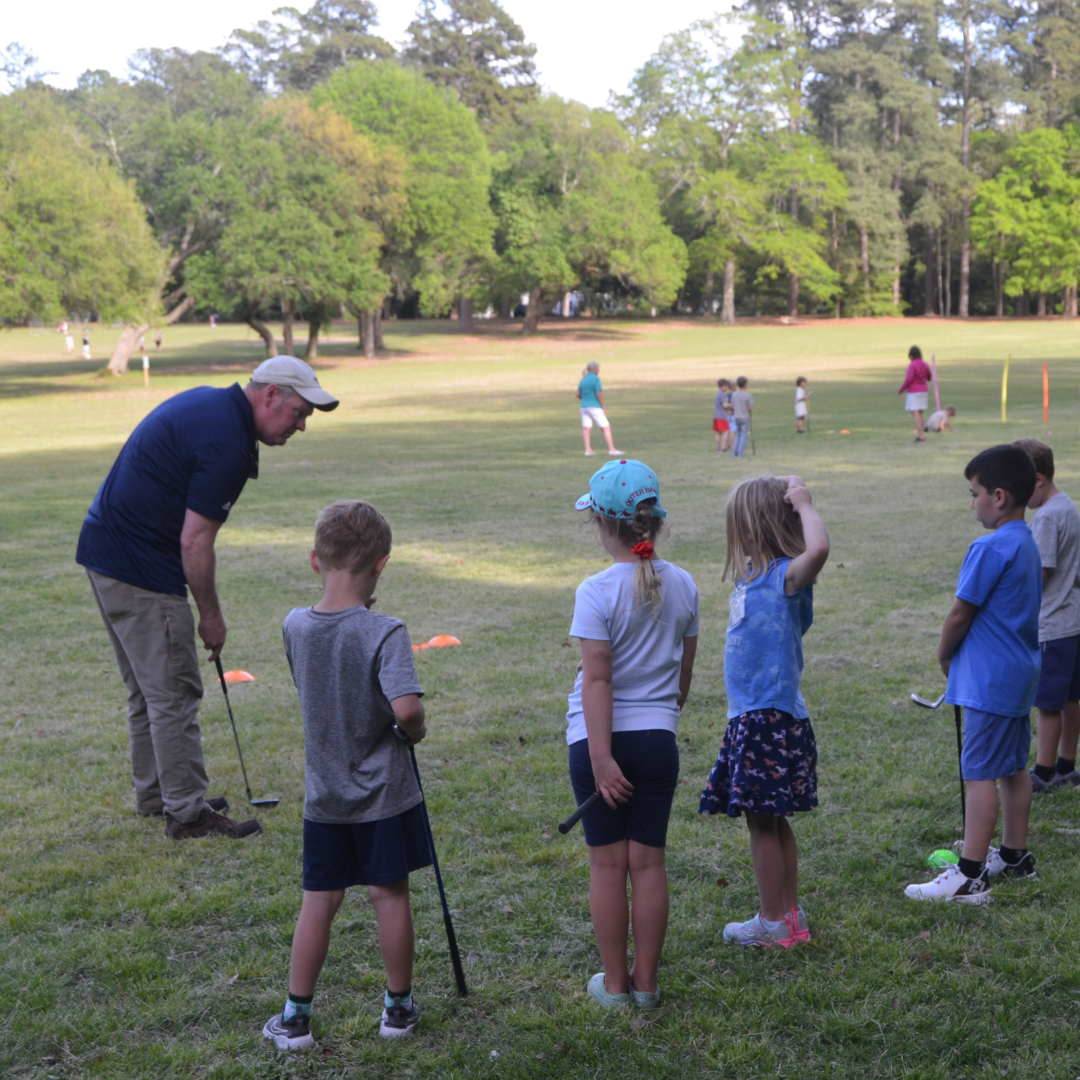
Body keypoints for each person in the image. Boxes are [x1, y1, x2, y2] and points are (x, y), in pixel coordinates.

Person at [76, 356, 339, 840]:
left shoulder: (211, 405)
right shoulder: (228, 444)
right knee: (174, 691)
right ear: (270, 395)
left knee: (149, 691)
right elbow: (195, 542)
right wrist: (211, 616)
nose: (301, 425)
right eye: (299, 412)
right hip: (138, 566)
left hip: (105, 553)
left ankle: (160, 794)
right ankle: (187, 813)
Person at [262, 500, 429, 1051]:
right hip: (383, 796)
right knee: (390, 895)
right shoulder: (386, 631)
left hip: (325, 796)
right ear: (381, 564)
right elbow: (407, 709)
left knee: (319, 899)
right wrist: (412, 731)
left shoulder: (294, 626)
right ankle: (398, 1010)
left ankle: (295, 1018)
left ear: (315, 559)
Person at [567, 459, 699, 1009]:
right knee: (648, 864)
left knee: (607, 864)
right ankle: (647, 985)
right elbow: (683, 674)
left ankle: (615, 987)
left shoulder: (595, 590)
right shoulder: (684, 584)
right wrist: (662, 720)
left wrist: (602, 758)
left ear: (602, 524)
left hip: (597, 745)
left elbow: (597, 679)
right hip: (656, 743)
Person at [905, 445, 1041, 903]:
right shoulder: (1026, 542)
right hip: (1019, 676)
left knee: (979, 772)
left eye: (974, 494)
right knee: (1013, 768)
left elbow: (960, 613)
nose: (971, 503)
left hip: (988, 683)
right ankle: (1014, 854)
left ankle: (968, 876)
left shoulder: (989, 547)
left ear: (998, 497)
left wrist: (944, 654)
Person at [699, 475, 829, 947]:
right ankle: (789, 916)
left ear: (753, 526)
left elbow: (818, 549)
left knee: (761, 823)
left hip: (765, 719)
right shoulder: (754, 577)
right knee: (773, 819)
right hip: (759, 716)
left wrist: (804, 504)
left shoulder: (784, 577)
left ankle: (773, 921)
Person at [1015, 439, 1080, 792]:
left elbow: (1039, 574)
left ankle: (1043, 772)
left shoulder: (1046, 517)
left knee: (1048, 703)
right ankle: (1067, 765)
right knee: (1070, 697)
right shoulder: (1067, 505)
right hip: (1073, 621)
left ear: (1037, 480)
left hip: (1053, 626)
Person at [577, 361, 622, 457]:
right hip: (594, 406)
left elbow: (578, 394)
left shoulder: (583, 379)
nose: (598, 370)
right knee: (605, 427)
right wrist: (603, 407)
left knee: (586, 427)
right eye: (598, 368)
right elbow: (598, 393)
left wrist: (585, 398)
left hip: (584, 406)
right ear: (594, 369)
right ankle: (612, 449)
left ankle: (588, 450)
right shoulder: (596, 379)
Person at [899, 345, 932, 442]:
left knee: (915, 412)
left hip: (914, 391)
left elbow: (909, 379)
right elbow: (929, 377)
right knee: (920, 412)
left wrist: (901, 389)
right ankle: (921, 434)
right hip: (923, 390)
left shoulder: (912, 365)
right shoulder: (925, 364)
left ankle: (920, 435)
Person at [730, 377, 753, 457]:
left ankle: (734, 452)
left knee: (739, 434)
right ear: (745, 384)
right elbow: (750, 407)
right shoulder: (748, 395)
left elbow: (732, 405)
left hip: (737, 417)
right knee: (743, 435)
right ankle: (740, 453)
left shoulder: (734, 394)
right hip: (745, 417)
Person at [713, 379, 733, 452]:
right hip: (722, 417)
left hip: (716, 416)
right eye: (726, 386)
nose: (727, 387)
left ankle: (718, 449)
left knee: (718, 433)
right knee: (727, 431)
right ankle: (724, 447)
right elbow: (724, 405)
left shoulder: (718, 393)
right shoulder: (722, 394)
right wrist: (731, 405)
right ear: (721, 386)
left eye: (727, 386)